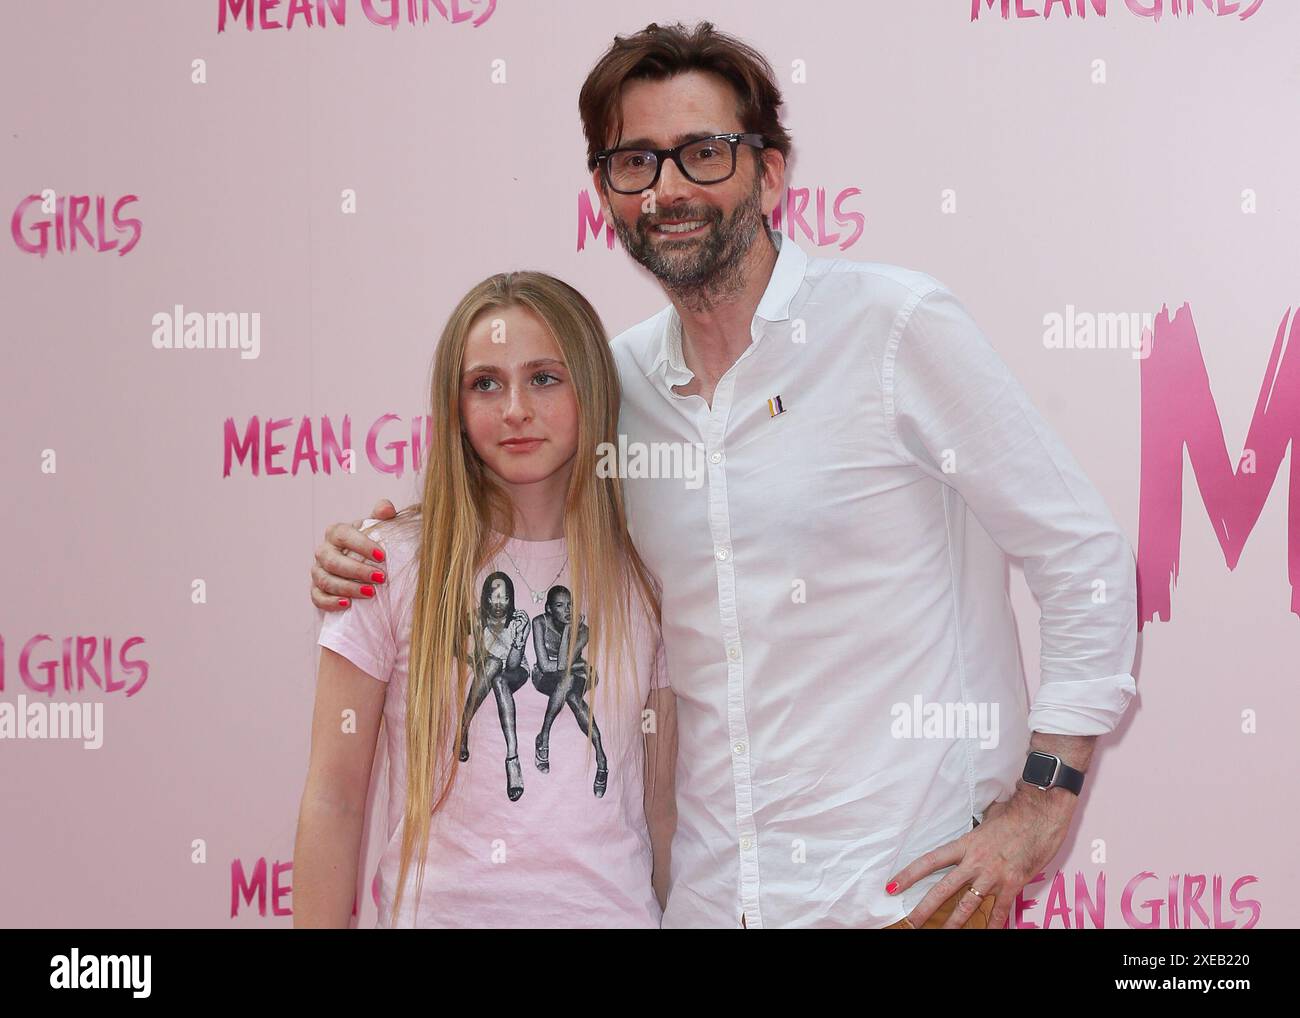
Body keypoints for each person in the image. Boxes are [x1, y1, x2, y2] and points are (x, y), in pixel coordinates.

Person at [310, 21, 1138, 929]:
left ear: (770, 173)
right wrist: (372, 548)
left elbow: (1082, 555)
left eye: (703, 153)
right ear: (605, 191)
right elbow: (505, 519)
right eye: (636, 162)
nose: (668, 188)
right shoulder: (610, 391)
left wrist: (1043, 805)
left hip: (902, 897)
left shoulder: (894, 330)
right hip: (710, 909)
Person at [293, 270, 676, 928]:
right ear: (456, 406)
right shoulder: (389, 561)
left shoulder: (647, 576)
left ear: (590, 387)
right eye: (486, 383)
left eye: (545, 377)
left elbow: (661, 810)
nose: (515, 408)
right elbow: (334, 800)